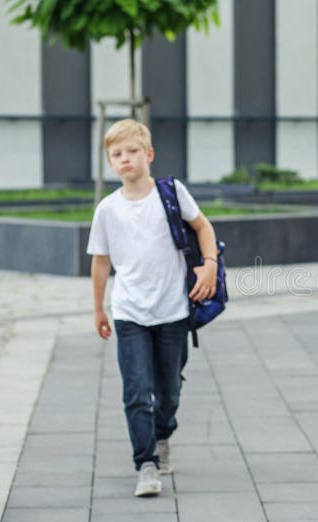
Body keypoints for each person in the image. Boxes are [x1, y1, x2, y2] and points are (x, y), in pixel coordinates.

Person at [87, 119, 219, 497]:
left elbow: (203, 227)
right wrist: (98, 308)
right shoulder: (107, 209)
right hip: (129, 312)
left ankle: (162, 435)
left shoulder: (171, 193)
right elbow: (100, 262)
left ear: (149, 154)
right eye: (117, 154)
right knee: (136, 390)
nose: (125, 158)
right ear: (110, 162)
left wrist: (209, 264)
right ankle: (145, 463)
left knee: (169, 390)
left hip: (173, 310)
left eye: (132, 151)